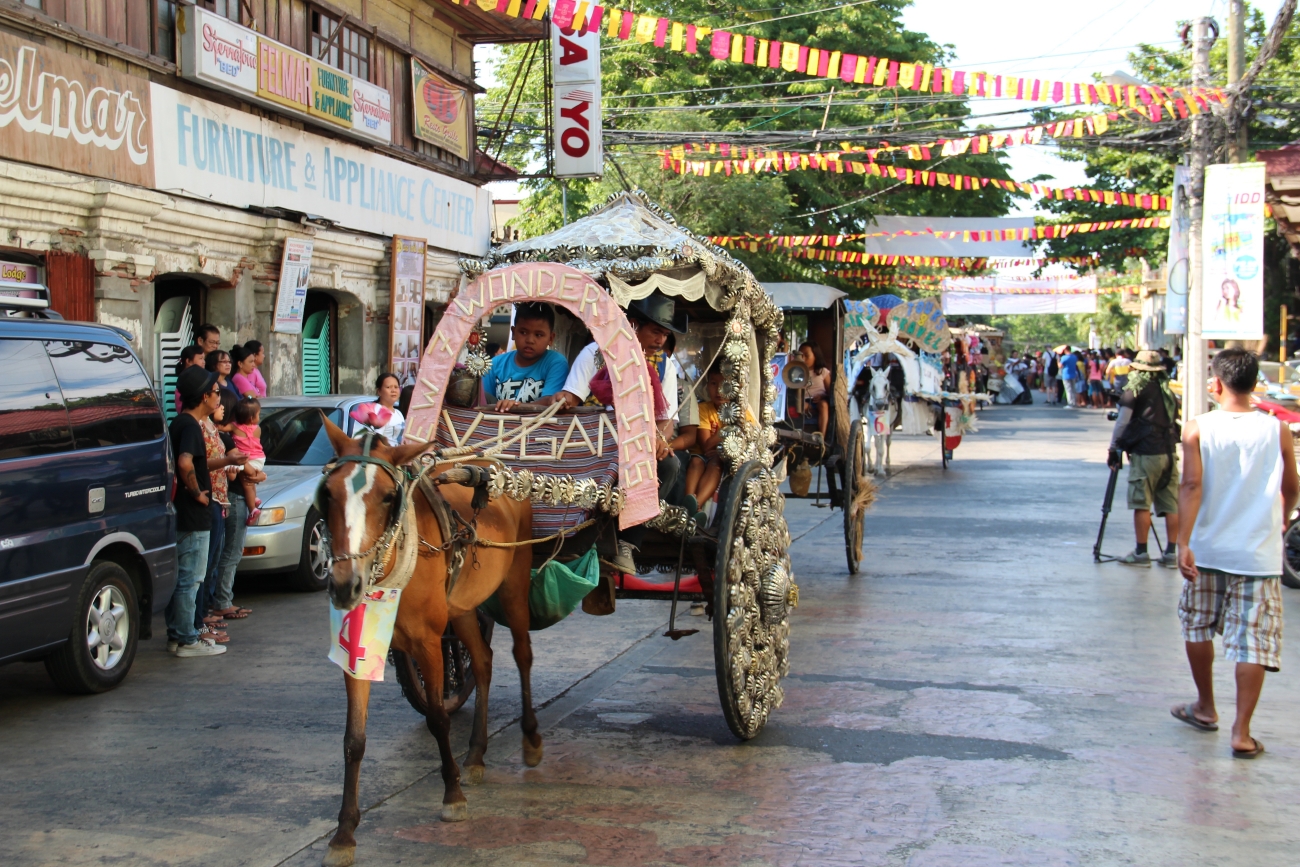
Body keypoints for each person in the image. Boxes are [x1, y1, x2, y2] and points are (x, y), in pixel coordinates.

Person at [1173, 348, 1299, 758]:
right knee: (1253, 641)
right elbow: (1292, 484)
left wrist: (1184, 541)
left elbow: (1191, 485)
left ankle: (1205, 706)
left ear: (1217, 383)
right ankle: (1241, 733)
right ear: (1255, 384)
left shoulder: (1197, 428)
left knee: (1198, 626)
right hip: (1257, 554)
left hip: (1208, 548)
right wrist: (1284, 516)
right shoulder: (1275, 430)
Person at [166, 366, 233, 657]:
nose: (218, 397)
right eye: (216, 392)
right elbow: (184, 463)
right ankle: (187, 639)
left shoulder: (179, 423)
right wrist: (198, 494)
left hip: (182, 512)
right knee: (190, 578)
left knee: (183, 578)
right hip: (193, 514)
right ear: (204, 396)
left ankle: (177, 635)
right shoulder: (191, 426)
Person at [1108, 350, 1181, 567]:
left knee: (1142, 502)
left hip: (1146, 453)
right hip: (1169, 453)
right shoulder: (1167, 391)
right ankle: (1170, 553)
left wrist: (1114, 448)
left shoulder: (1134, 391)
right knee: (1171, 505)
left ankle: (1141, 552)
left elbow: (1122, 422)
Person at [482, 302, 569, 412]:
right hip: (497, 425)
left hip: (539, 426)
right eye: (523, 332)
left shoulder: (556, 363)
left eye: (538, 335)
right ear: (513, 333)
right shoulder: (494, 364)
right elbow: (484, 402)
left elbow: (549, 401)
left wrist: (515, 407)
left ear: (551, 338)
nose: (530, 340)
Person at [231, 398, 266, 523]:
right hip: (259, 459)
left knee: (246, 484)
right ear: (252, 419)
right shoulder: (258, 429)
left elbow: (222, 428)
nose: (259, 417)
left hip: (247, 460)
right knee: (251, 483)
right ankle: (255, 498)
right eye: (258, 414)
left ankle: (252, 510)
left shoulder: (234, 427)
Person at [799, 342, 831, 437]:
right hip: (804, 402)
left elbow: (830, 393)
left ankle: (821, 437)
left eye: (807, 355)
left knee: (824, 405)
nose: (803, 358)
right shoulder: (796, 372)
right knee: (799, 405)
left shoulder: (823, 372)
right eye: (801, 355)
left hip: (818, 402)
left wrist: (822, 397)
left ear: (815, 356)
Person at [374, 372, 406, 444]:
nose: (393, 390)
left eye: (396, 387)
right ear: (379, 391)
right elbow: (376, 442)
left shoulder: (398, 413)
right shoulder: (376, 411)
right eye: (388, 387)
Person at [173, 344, 205, 415]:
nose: (203, 362)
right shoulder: (183, 386)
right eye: (200, 358)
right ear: (189, 361)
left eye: (204, 358)